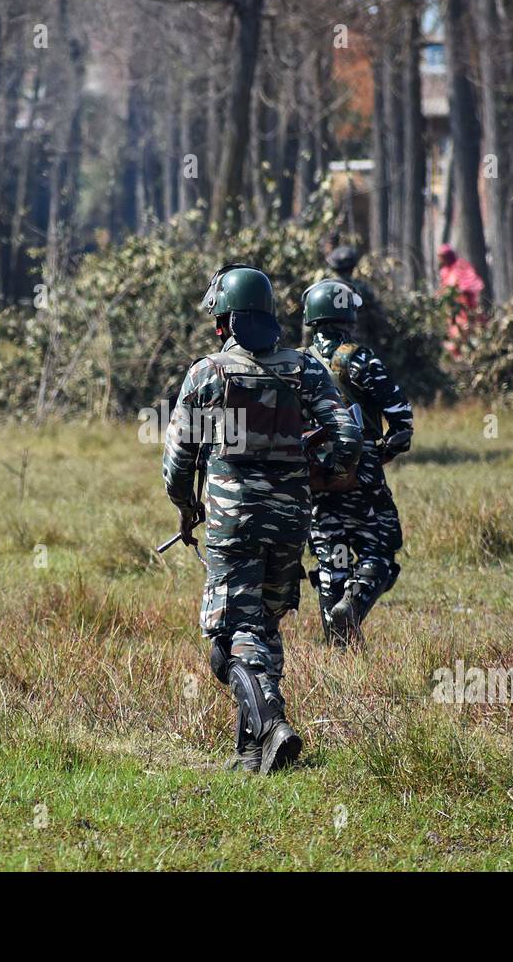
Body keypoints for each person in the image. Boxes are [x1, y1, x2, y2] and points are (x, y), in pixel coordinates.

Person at [163, 264, 361, 773]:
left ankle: (271, 723)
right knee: (263, 629)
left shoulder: (208, 373)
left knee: (227, 641)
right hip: (292, 518)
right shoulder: (303, 368)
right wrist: (327, 471)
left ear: (224, 322)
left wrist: (188, 507)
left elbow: (180, 456)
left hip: (234, 521)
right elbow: (347, 434)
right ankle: (251, 753)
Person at [301, 279, 414, 644]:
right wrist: (383, 452)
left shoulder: (296, 363)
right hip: (361, 476)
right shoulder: (359, 359)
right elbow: (401, 420)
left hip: (314, 477)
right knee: (378, 550)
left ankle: (337, 642)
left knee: (330, 559)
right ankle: (351, 608)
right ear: (347, 315)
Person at [437, 243, 486, 360]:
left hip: (466, 310)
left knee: (467, 335)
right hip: (452, 313)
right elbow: (444, 291)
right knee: (454, 339)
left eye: (444, 257)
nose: (442, 260)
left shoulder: (460, 266)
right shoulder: (445, 272)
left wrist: (460, 290)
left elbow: (473, 283)